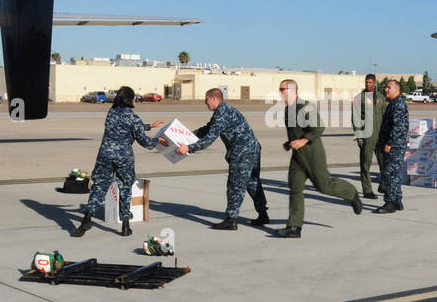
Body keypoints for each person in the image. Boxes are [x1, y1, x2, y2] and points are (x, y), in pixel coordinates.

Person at [274, 79, 362, 238]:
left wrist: (303, 140)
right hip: (298, 156)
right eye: (279, 89)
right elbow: (297, 131)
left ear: (292, 90)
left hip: (312, 153)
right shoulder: (288, 110)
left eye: (282, 89)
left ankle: (351, 192)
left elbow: (319, 127)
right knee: (295, 188)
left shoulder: (306, 107)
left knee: (324, 186)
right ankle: (294, 227)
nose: (280, 92)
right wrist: (290, 143)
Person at [73, 86, 163, 237]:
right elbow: (144, 141)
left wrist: (149, 126)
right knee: (125, 188)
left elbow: (125, 126)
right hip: (123, 157)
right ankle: (125, 226)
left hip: (105, 154)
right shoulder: (132, 116)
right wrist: (157, 140)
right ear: (129, 99)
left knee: (98, 187)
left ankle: (86, 220)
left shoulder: (111, 112)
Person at [173, 88, 269, 229]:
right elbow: (207, 129)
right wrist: (184, 136)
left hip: (242, 153)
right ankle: (263, 215)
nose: (205, 103)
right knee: (253, 183)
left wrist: (189, 148)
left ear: (213, 98)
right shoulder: (225, 110)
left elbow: (209, 138)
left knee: (235, 185)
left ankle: (231, 220)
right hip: (252, 150)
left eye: (206, 99)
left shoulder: (221, 113)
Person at [373, 80, 409, 213]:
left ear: (397, 89)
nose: (386, 90)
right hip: (395, 145)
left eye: (389, 87)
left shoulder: (398, 105)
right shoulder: (393, 104)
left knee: (389, 174)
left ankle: (390, 203)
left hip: (394, 146)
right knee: (395, 174)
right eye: (386, 87)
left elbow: (398, 128)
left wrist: (389, 143)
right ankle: (398, 200)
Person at [351, 74, 386, 199]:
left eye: (371, 82)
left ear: (375, 83)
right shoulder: (359, 98)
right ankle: (367, 190)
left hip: (380, 135)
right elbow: (355, 118)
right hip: (367, 136)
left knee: (384, 162)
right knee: (366, 164)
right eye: (366, 82)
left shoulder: (381, 98)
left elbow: (385, 117)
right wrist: (359, 135)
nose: (368, 85)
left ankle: (383, 185)